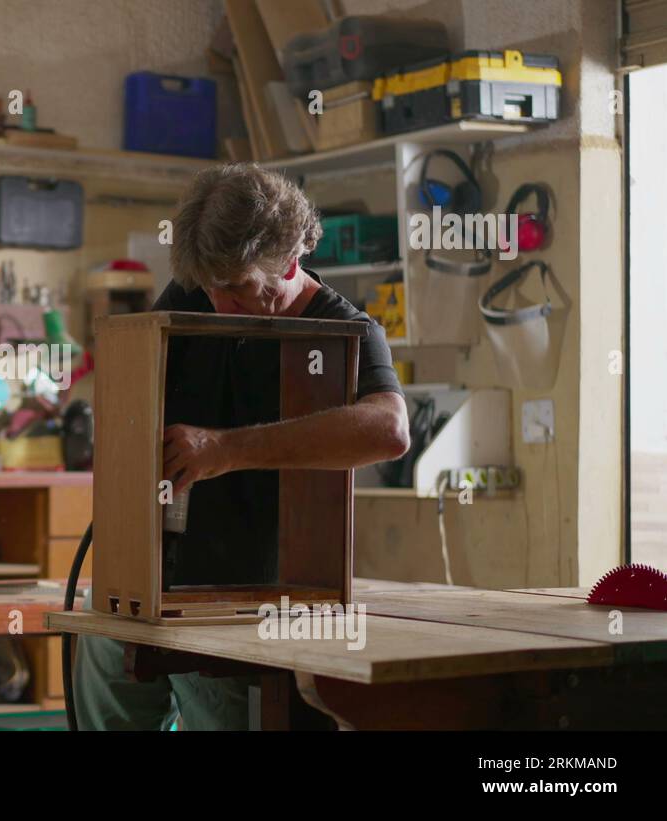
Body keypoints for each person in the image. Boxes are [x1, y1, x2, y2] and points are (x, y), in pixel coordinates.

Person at [74, 163, 410, 729]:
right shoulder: (198, 288)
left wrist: (227, 449)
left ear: (289, 260)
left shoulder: (343, 328)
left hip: (256, 593)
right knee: (100, 665)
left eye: (236, 288)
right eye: (208, 286)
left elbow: (389, 430)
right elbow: (139, 376)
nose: (217, 302)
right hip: (157, 575)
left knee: (225, 713)